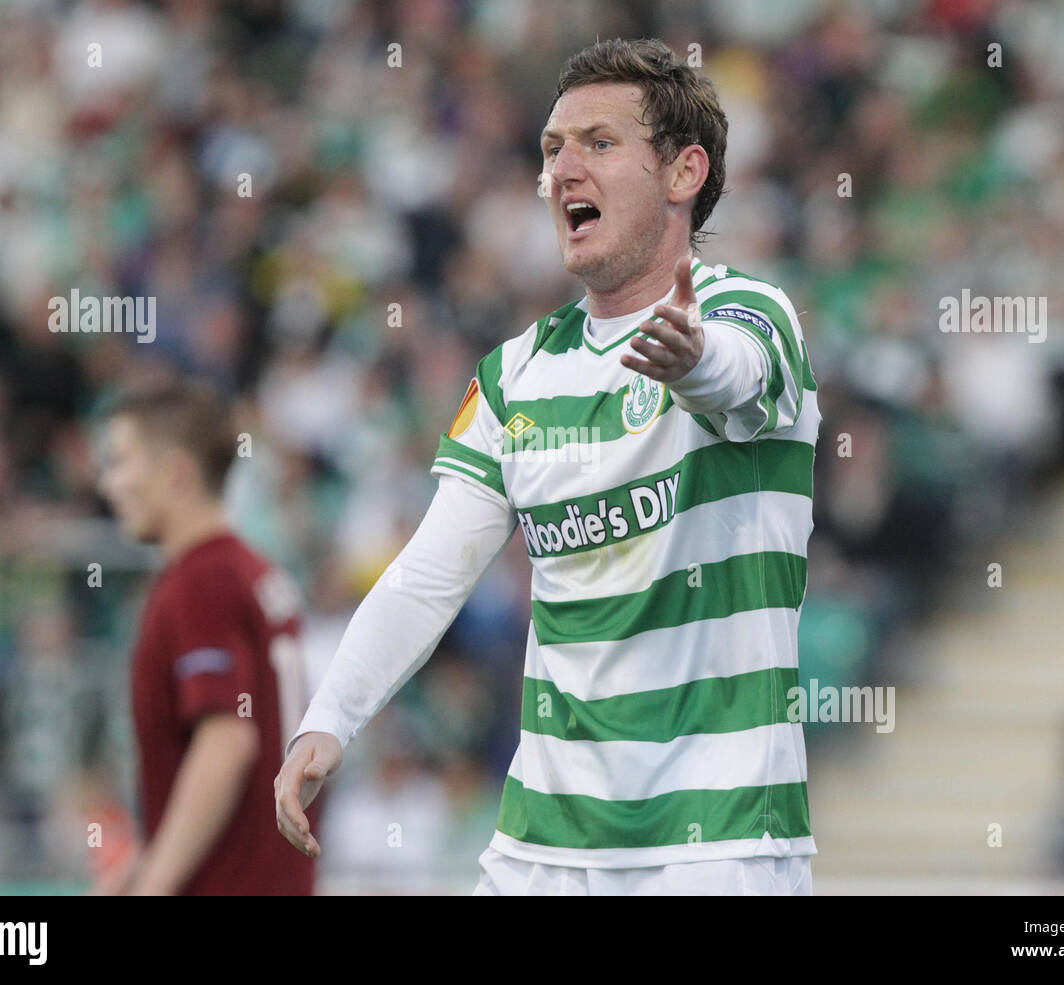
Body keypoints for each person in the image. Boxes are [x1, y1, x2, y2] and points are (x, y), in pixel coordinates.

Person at [276, 37, 821, 896]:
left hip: (716, 845)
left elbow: (741, 378)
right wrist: (330, 717)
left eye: (599, 143)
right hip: (542, 848)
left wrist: (694, 364)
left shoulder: (747, 312)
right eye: (552, 149)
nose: (564, 168)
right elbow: (429, 572)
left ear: (683, 173)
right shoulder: (515, 373)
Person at [100, 381, 315, 895]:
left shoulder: (201, 581)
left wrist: (153, 886)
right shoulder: (256, 574)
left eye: (121, 461)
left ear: (176, 472)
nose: (110, 484)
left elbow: (227, 742)